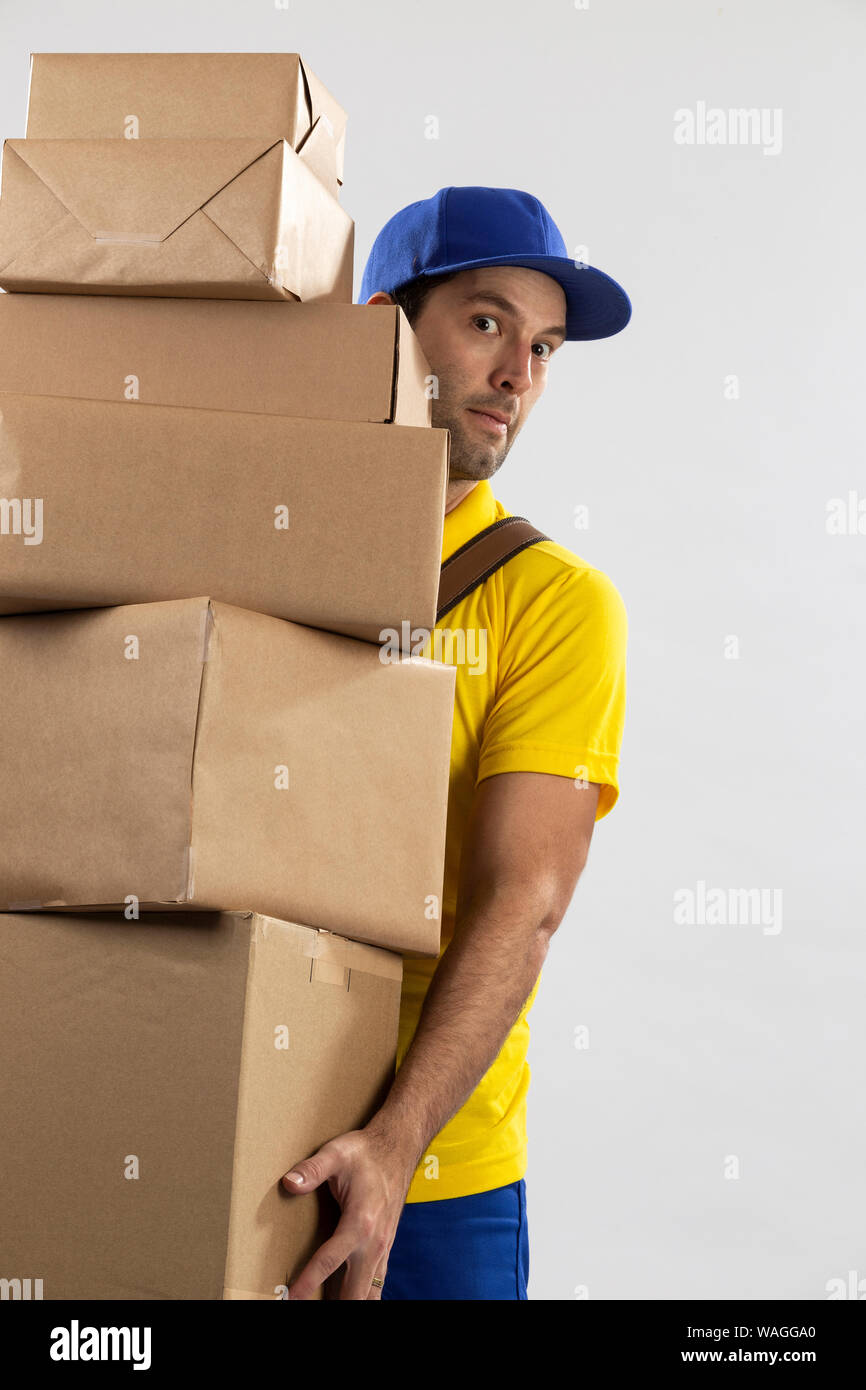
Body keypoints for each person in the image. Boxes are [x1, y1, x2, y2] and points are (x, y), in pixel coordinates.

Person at [281, 186, 631, 1300]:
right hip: (222, 1127)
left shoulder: (556, 603)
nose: (518, 375)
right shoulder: (255, 544)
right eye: (485, 323)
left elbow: (519, 898)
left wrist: (389, 1147)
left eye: (542, 347)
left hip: (435, 1183)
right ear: (385, 325)